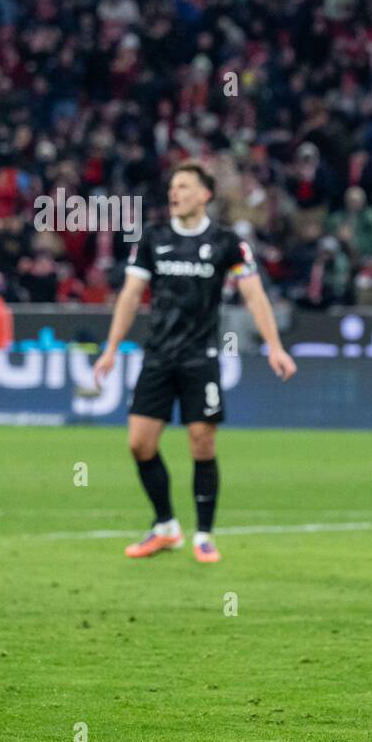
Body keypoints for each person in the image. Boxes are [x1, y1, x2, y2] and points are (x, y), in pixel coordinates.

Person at [93, 162, 297, 564]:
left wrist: (275, 346)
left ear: (205, 194)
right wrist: (111, 348)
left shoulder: (227, 243)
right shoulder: (153, 237)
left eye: (184, 186)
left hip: (200, 358)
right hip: (158, 355)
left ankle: (204, 534)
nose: (175, 193)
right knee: (139, 443)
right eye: (172, 187)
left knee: (201, 443)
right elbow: (132, 295)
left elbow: (254, 295)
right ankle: (166, 526)